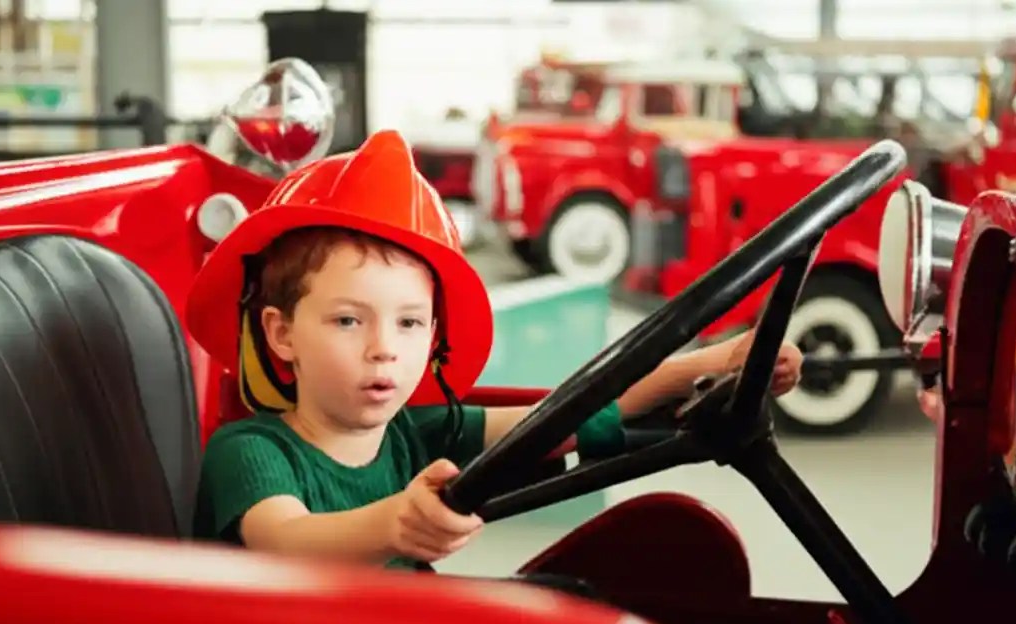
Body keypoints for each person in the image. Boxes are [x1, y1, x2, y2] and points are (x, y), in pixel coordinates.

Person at [185, 129, 804, 570]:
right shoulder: (253, 450)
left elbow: (555, 419)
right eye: (349, 321)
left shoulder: (412, 436)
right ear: (281, 333)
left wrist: (708, 364)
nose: (383, 350)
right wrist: (395, 523)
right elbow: (286, 538)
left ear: (433, 336)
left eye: (408, 324)